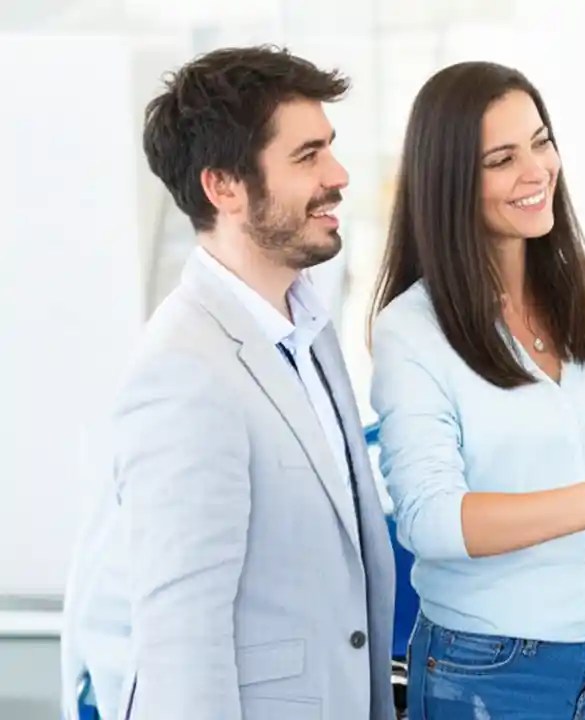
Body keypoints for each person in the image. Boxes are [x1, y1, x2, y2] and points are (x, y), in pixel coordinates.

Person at [367, 60, 585, 720]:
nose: (536, 171)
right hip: (489, 674)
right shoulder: (411, 331)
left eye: (540, 141)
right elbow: (430, 519)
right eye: (502, 158)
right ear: (449, 182)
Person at [59, 46, 396, 720]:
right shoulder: (184, 373)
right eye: (307, 157)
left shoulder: (307, 324)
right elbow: (182, 646)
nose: (338, 175)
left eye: (330, 147)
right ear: (224, 187)